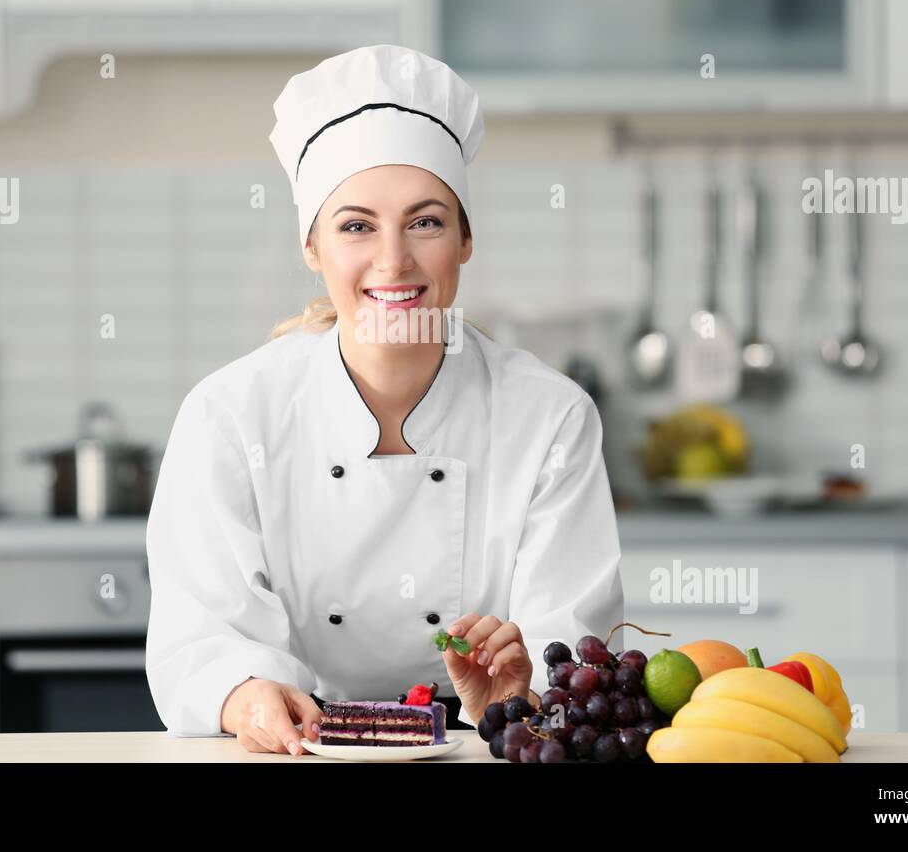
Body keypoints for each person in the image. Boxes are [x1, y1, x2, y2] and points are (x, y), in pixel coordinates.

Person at [145, 44, 624, 755]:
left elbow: (572, 668)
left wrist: (522, 701)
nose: (393, 260)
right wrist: (248, 696)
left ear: (465, 240)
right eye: (356, 225)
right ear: (312, 246)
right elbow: (201, 638)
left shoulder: (550, 419)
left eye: (426, 222)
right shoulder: (229, 416)